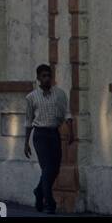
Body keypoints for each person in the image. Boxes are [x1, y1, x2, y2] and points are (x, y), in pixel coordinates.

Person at [24, 63, 73, 214]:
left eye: (49, 76)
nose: (46, 79)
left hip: (54, 133)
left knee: (55, 168)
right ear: (38, 78)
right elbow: (28, 121)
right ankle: (49, 202)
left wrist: (71, 132)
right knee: (47, 168)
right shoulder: (31, 97)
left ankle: (39, 191)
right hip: (40, 135)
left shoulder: (60, 94)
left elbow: (67, 114)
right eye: (43, 76)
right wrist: (26, 143)